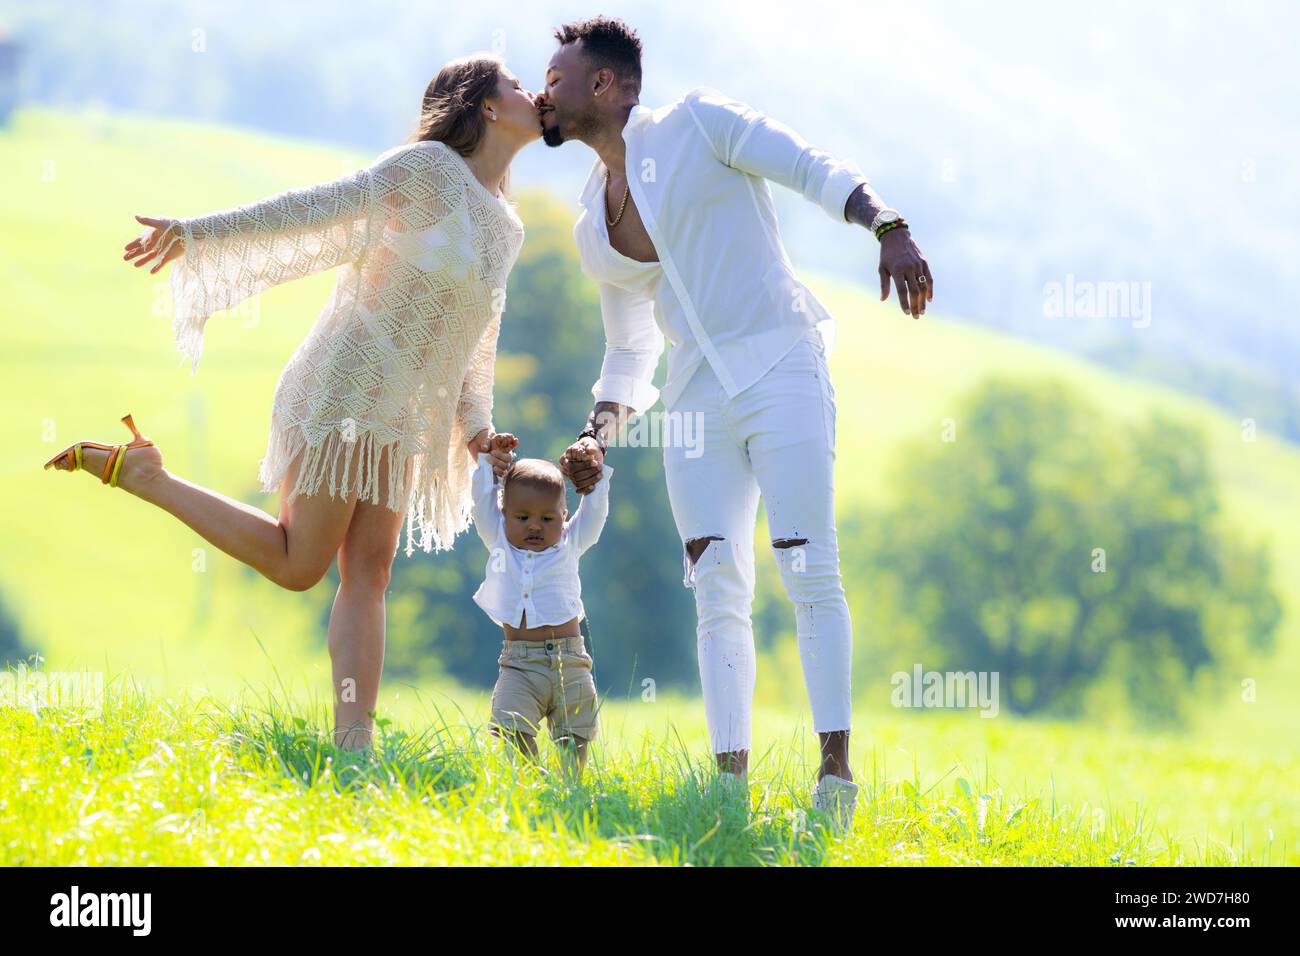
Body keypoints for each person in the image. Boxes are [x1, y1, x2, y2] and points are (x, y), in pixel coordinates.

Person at [43, 54, 543, 751]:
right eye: (518, 84)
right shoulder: (424, 170)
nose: (535, 92)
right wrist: (199, 233)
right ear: (486, 106)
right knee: (299, 564)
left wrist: (477, 427)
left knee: (370, 571)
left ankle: (354, 748)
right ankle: (147, 475)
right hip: (345, 387)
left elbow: (475, 338)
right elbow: (314, 211)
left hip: (401, 420)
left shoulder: (505, 226)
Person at [536, 16, 935, 830]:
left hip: (781, 361)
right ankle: (729, 794)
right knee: (717, 586)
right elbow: (628, 351)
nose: (543, 93)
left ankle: (835, 782)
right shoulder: (591, 225)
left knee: (808, 568)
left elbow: (808, 167)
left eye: (556, 78)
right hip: (694, 404)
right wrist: (595, 433)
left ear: (605, 85)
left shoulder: (698, 124)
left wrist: (889, 227)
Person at [469, 432, 611, 776]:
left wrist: (593, 479)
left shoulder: (570, 542)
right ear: (505, 514)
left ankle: (568, 791)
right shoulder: (499, 541)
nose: (534, 525)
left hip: (570, 661)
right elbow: (481, 502)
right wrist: (491, 463)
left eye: (547, 519)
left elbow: (594, 516)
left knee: (574, 738)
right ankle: (533, 781)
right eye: (522, 518)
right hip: (520, 666)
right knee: (510, 727)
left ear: (564, 515)